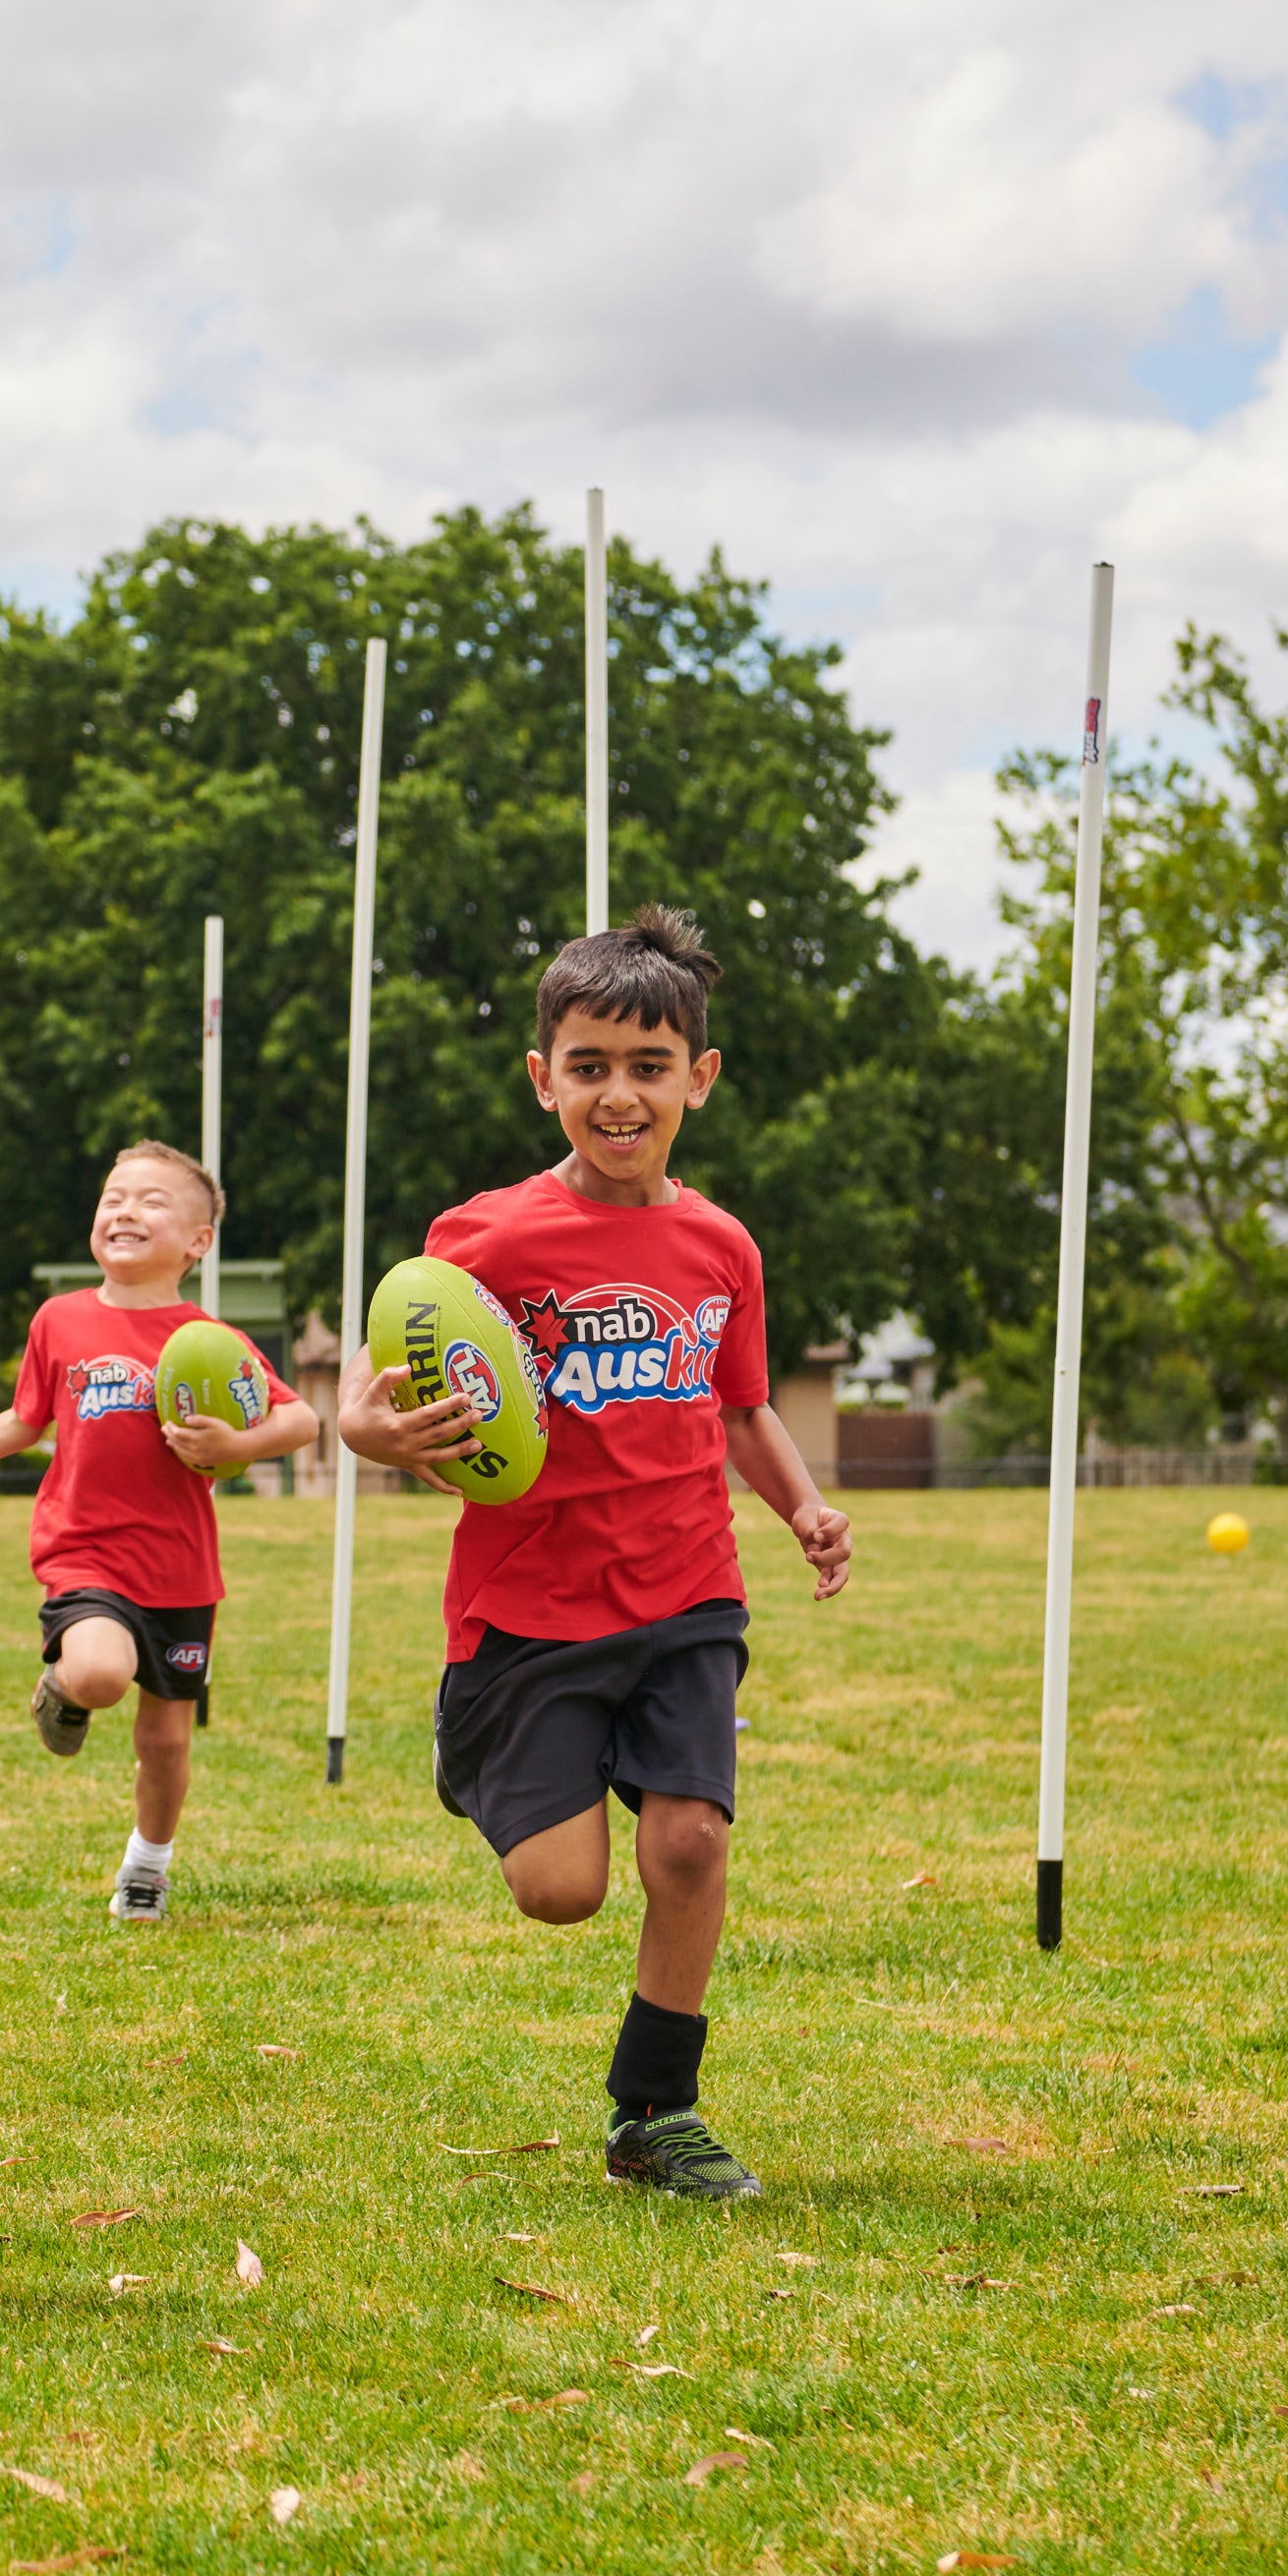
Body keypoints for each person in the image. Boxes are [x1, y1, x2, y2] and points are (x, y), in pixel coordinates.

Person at [330, 904, 849, 2204]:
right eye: (591, 1066)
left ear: (700, 1078)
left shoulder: (722, 1244)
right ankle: (479, 1733)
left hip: (688, 1594)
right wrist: (366, 1425)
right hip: (531, 1609)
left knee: (688, 1845)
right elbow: (381, 1371)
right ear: (544, 1077)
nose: (620, 1094)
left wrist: (803, 1507)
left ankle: (654, 2111)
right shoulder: (486, 1238)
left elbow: (738, 1403)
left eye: (649, 1065)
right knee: (560, 1890)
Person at [0, 1141, 320, 1920]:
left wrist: (237, 1446)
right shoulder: (61, 1319)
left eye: (151, 1200)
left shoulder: (207, 1340)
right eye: (113, 1197)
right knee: (99, 1673)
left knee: (167, 1741)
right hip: (84, 1553)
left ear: (197, 1241)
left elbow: (301, 1416)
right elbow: (24, 1420)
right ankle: (63, 1686)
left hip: (182, 1571)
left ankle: (146, 1869)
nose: (124, 1210)